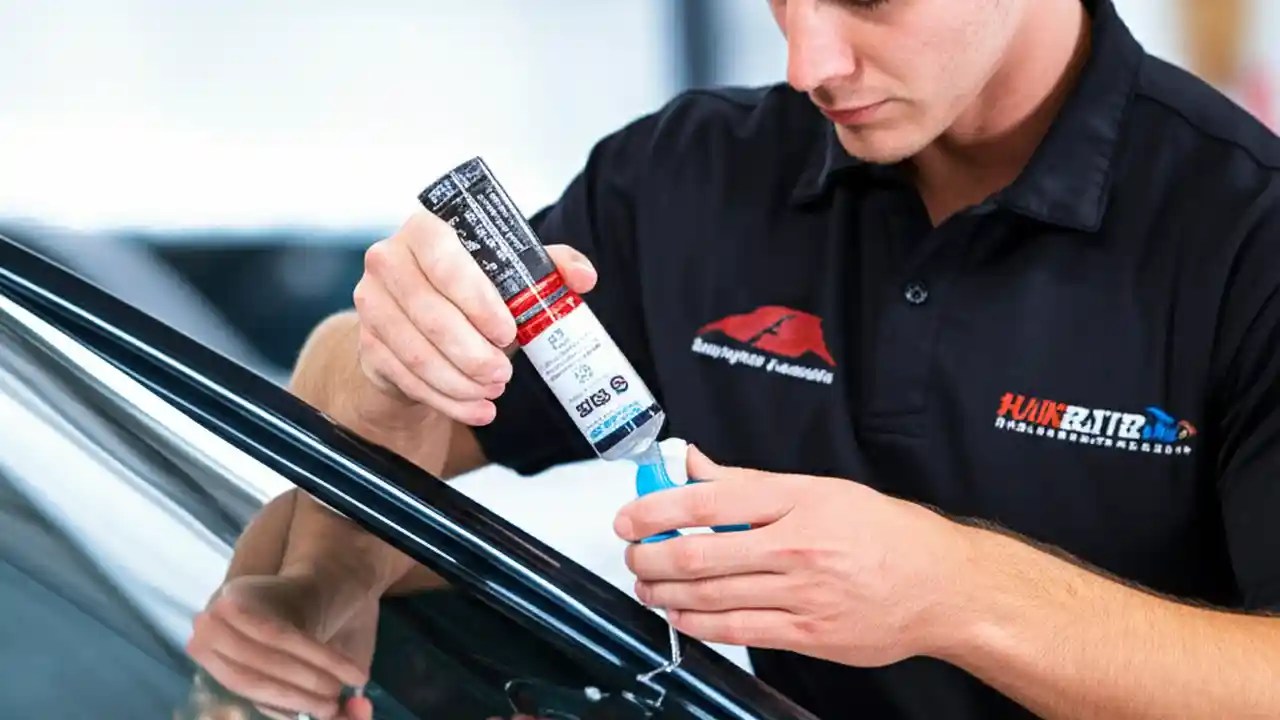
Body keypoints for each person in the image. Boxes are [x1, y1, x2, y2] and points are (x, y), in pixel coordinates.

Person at [186, 0, 1280, 717]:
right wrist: (346, 529)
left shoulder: (1246, 237)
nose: (809, 61)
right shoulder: (693, 175)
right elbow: (374, 391)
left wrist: (951, 591)